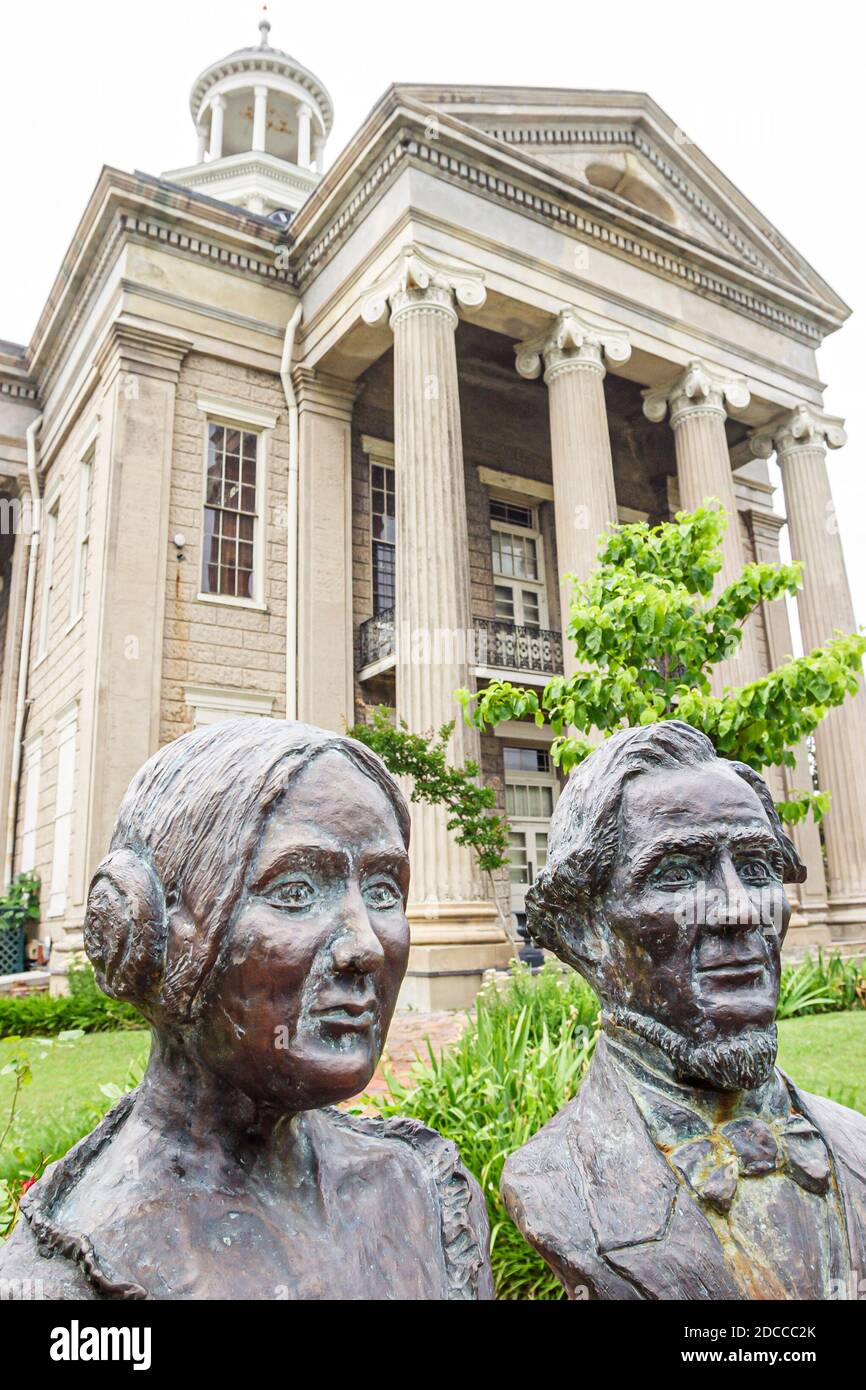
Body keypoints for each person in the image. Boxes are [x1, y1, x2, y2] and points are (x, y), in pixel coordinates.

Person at [0, 719, 493, 1300]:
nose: (366, 944)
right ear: (150, 933)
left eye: (383, 890)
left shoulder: (423, 1192)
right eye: (296, 891)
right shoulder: (68, 1280)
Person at [502, 720, 866, 1300]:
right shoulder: (556, 1182)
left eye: (755, 868)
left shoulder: (856, 1143)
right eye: (676, 874)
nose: (740, 911)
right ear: (581, 926)